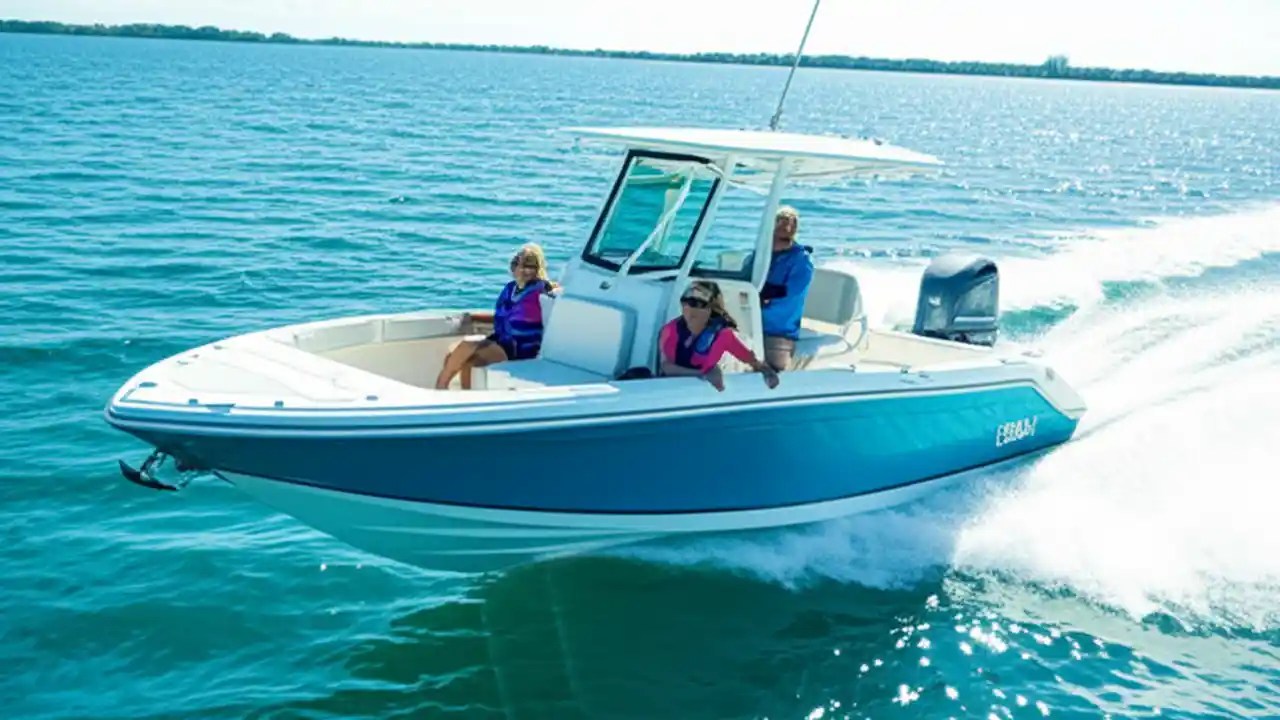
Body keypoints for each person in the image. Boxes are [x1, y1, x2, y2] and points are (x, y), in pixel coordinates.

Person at [434, 243, 555, 390]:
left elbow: (559, 293)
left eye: (530, 265)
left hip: (519, 351)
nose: (524, 269)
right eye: (519, 264)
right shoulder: (510, 288)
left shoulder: (541, 289)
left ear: (538, 268)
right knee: (462, 359)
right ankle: (467, 399)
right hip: (500, 342)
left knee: (468, 344)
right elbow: (502, 318)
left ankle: (440, 387)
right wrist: (474, 317)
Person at [659, 281, 779, 392]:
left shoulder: (723, 335)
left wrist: (767, 371)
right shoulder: (670, 330)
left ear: (711, 308)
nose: (688, 308)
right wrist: (703, 373)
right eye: (685, 301)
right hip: (674, 389)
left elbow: (749, 358)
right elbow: (667, 367)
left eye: (697, 303)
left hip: (709, 393)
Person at [760, 205, 814, 372]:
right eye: (780, 221)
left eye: (791, 223)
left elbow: (791, 292)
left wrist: (765, 293)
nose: (786, 226)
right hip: (749, 323)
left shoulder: (801, 261)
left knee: (775, 371)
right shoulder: (760, 255)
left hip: (779, 330)